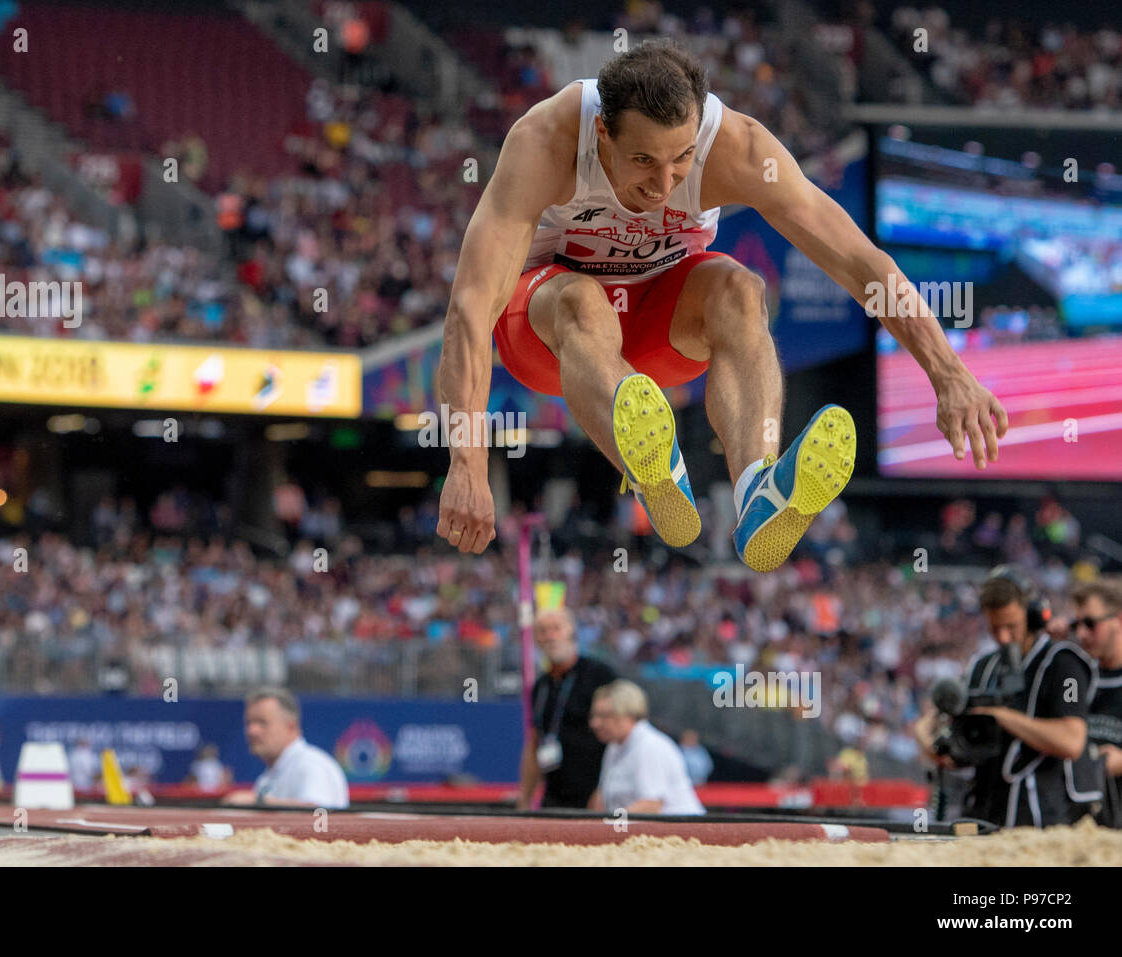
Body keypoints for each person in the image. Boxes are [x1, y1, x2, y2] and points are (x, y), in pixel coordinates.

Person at [435, 40, 1006, 571]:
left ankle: (758, 488)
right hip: (550, 336)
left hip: (660, 333)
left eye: (680, 159)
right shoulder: (547, 140)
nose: (663, 184)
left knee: (740, 288)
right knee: (583, 300)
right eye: (642, 161)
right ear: (602, 132)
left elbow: (859, 260)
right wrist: (467, 462)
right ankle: (650, 468)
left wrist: (948, 371)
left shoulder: (738, 147)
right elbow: (471, 308)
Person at [914, 568, 1099, 827]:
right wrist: (927, 737)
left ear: (1033, 615)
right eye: (994, 627)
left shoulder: (1064, 664)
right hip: (981, 819)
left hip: (1043, 825)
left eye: (1011, 626)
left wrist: (1000, 716)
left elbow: (1071, 741)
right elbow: (958, 756)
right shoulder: (979, 667)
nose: (1003, 637)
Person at [516, 608, 618, 810]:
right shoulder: (540, 686)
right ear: (536, 639)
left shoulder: (599, 675)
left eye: (556, 628)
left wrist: (606, 789)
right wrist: (525, 799)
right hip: (554, 798)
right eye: (543, 631)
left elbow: (620, 736)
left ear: (571, 632)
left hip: (594, 797)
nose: (550, 636)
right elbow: (535, 741)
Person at [589, 680, 706, 815]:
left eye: (605, 716)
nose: (595, 723)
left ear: (629, 715)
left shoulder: (649, 746)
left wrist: (606, 826)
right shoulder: (614, 746)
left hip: (680, 833)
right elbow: (600, 800)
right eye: (594, 715)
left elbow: (650, 806)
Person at [221, 688, 348, 809]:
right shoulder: (267, 777)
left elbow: (321, 816)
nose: (251, 731)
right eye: (248, 723)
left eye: (262, 722)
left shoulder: (311, 765)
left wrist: (257, 802)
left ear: (291, 727)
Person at [1072, 581, 1122, 792]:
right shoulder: (1074, 678)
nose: (1081, 634)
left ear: (1119, 619)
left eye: (1091, 623)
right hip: (1080, 813)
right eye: (1076, 625)